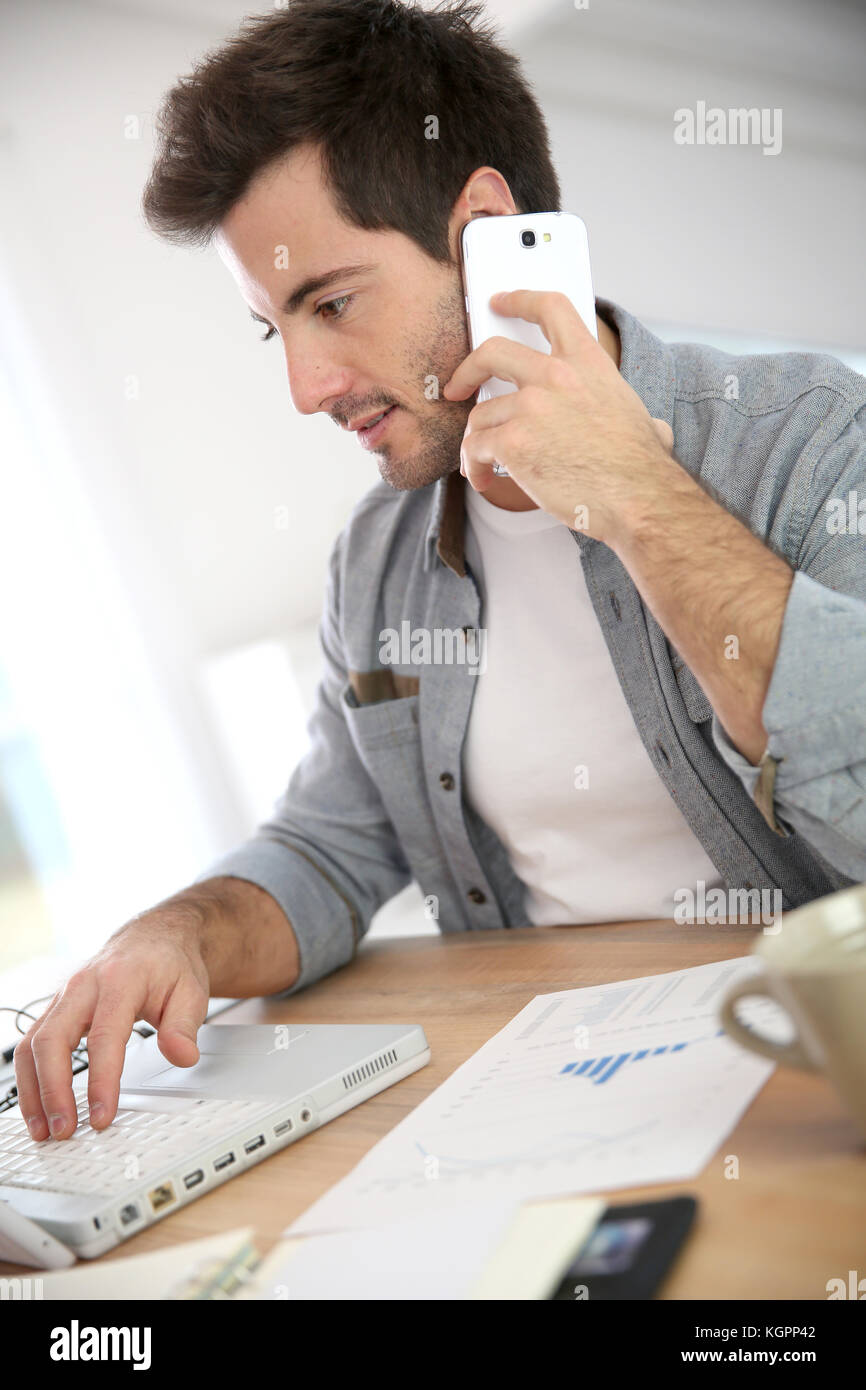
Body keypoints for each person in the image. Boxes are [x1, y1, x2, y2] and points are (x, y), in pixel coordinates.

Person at [15, 0, 866, 1142]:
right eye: (278, 328)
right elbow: (327, 845)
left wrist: (633, 497)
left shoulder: (811, 441)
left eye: (331, 302)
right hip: (541, 1098)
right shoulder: (374, 563)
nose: (306, 388)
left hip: (808, 1098)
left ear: (483, 227)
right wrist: (178, 931)